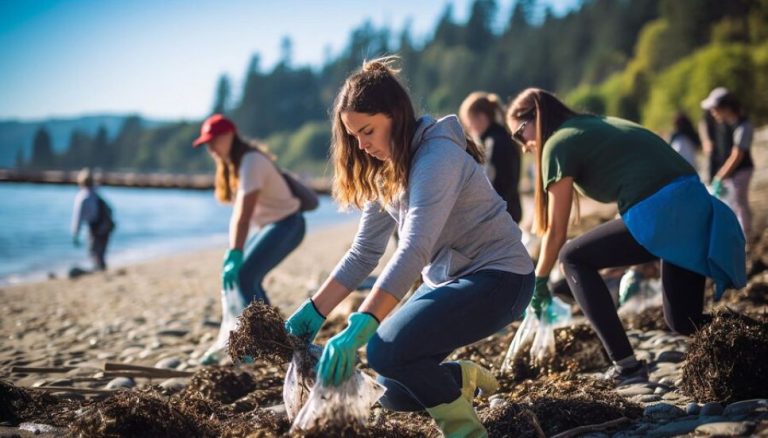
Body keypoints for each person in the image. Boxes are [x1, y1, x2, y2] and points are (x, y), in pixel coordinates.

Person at [284, 57, 534, 437]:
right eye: (353, 136)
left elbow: (414, 247)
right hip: (449, 283)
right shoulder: (387, 169)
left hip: (501, 278)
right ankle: (461, 377)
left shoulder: (438, 158)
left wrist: (359, 326)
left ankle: (467, 432)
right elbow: (364, 252)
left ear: (396, 116)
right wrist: (314, 311)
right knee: (393, 390)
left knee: (384, 349)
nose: (362, 145)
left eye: (367, 131)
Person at [506, 88, 746, 384]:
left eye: (519, 134)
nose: (525, 146)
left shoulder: (558, 143)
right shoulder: (592, 124)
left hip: (661, 211)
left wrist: (540, 281)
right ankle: (756, 333)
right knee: (684, 320)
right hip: (690, 205)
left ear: (535, 118)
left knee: (571, 257)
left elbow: (557, 232)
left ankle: (626, 365)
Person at [192, 114, 306, 307]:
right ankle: (269, 330)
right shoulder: (236, 164)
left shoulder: (251, 161)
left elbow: (242, 216)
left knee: (245, 276)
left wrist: (235, 252)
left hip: (288, 224)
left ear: (230, 135)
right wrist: (234, 252)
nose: (211, 148)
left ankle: (267, 333)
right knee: (246, 277)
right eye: (207, 143)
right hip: (272, 226)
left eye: (214, 141)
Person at [459, 91, 523, 222]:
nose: (470, 129)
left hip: (501, 214)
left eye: (470, 123)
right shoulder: (504, 136)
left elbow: (491, 183)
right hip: (512, 208)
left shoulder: (493, 143)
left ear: (482, 118)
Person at [700, 88, 754, 239]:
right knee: (732, 204)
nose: (712, 112)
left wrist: (720, 176)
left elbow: (737, 154)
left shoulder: (743, 126)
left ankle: (745, 238)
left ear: (725, 107)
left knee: (740, 203)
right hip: (730, 173)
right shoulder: (724, 125)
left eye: (715, 109)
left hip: (741, 171)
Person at [71, 167, 114, 271]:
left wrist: (75, 234)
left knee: (93, 252)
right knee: (101, 253)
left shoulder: (82, 196)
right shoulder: (96, 192)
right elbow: (110, 209)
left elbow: (78, 217)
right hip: (106, 226)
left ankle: (100, 272)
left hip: (95, 227)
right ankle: (102, 270)